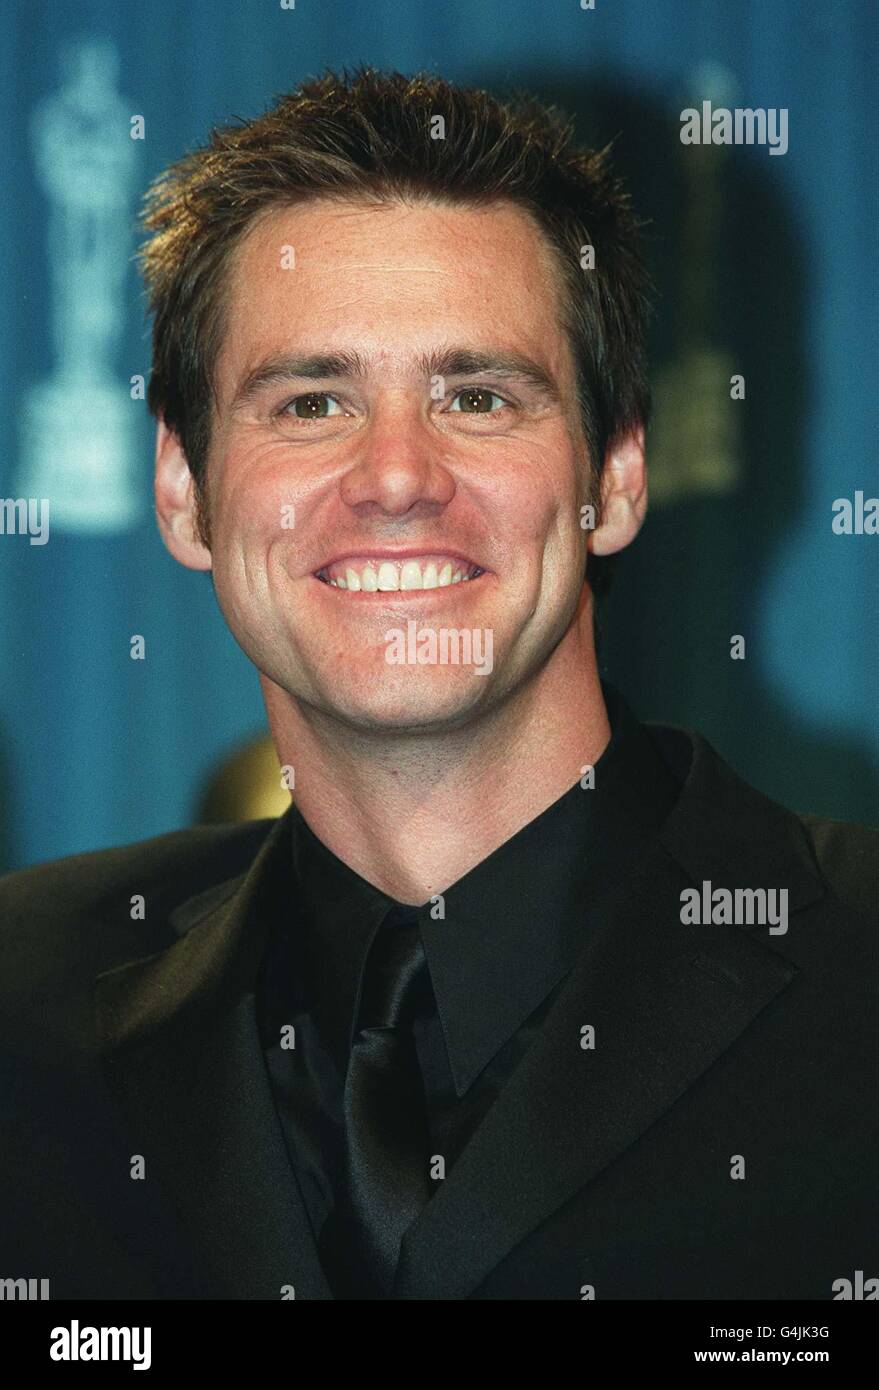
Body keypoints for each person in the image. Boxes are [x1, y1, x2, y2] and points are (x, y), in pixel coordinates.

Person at [1, 67, 876, 1302]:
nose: (397, 476)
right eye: (311, 400)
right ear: (184, 491)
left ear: (616, 475)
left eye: (477, 395)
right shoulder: (20, 1015)